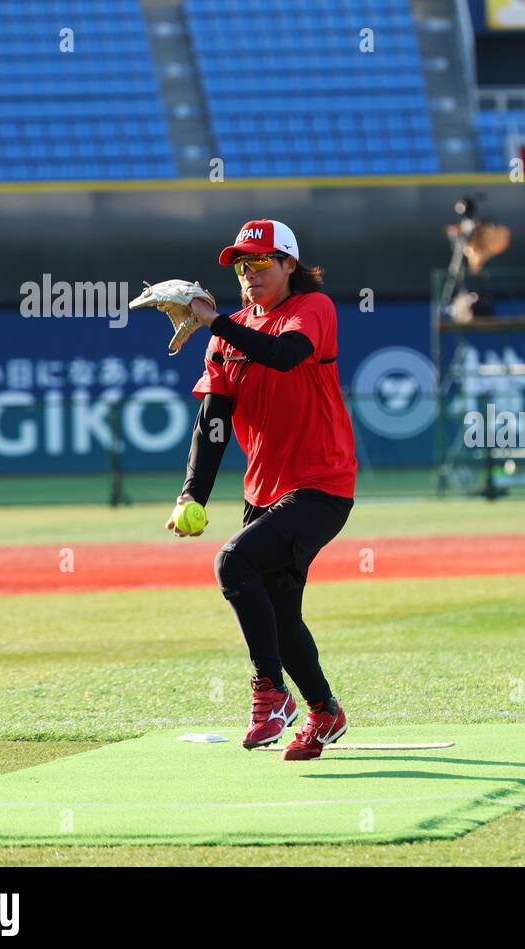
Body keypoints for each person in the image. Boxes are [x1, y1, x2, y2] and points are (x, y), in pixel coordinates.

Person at [168, 218, 357, 761]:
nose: (249, 275)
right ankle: (324, 711)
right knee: (281, 611)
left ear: (289, 265)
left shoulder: (311, 309)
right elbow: (212, 421)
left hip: (322, 484)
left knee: (232, 562)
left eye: (260, 263)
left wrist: (216, 323)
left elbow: (284, 355)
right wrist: (192, 495)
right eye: (241, 266)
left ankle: (270, 695)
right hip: (264, 493)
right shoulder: (227, 336)